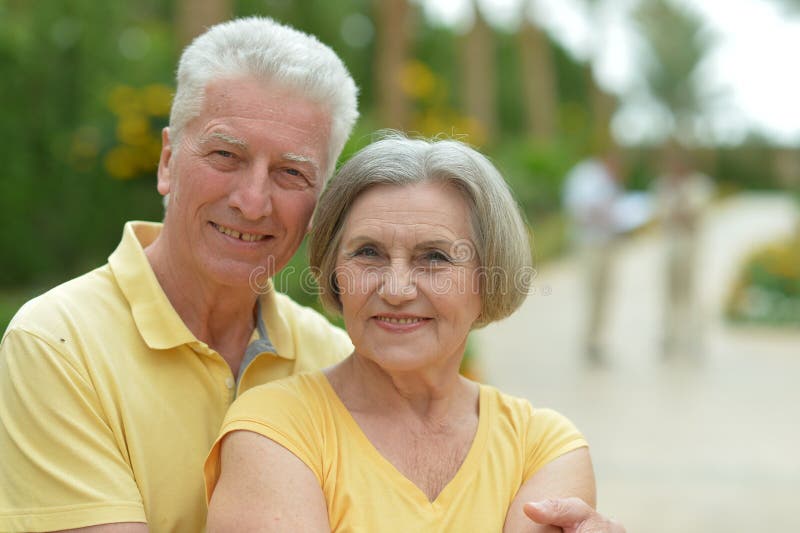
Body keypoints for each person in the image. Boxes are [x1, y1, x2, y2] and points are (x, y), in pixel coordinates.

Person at [0, 17, 622, 533]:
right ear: (167, 161)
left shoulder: (340, 352)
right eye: (225, 155)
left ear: (320, 203)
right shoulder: (57, 344)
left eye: (291, 173)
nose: (251, 200)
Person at [204, 134, 616, 532]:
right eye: (368, 253)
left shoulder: (542, 448)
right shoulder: (274, 430)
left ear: (488, 279)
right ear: (334, 272)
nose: (396, 290)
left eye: (434, 257)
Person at [562, 153, 624, 363]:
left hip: (606, 243)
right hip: (591, 245)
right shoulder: (586, 177)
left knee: (604, 295)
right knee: (592, 294)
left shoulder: (608, 181)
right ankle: (590, 341)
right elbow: (582, 210)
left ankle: (597, 340)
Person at [653, 145, 714, 357]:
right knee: (669, 293)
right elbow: (661, 216)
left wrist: (680, 203)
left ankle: (694, 337)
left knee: (692, 293)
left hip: (691, 247)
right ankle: (669, 335)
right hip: (670, 246)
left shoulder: (699, 185)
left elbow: (694, 216)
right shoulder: (662, 185)